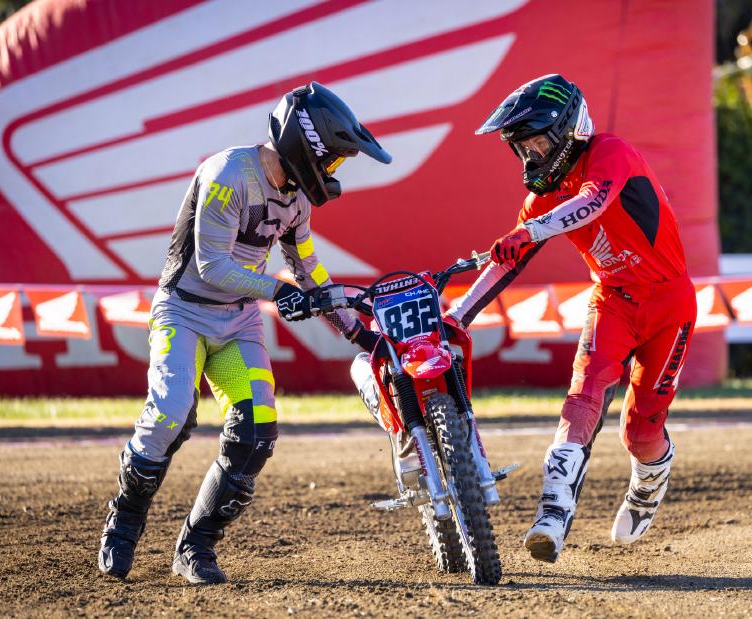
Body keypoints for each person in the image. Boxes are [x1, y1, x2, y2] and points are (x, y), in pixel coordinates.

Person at [97, 82, 389, 584]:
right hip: (183, 312)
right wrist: (276, 293)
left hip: (237, 321)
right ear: (308, 147)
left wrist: (360, 335)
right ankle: (124, 520)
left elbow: (308, 271)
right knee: (170, 414)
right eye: (333, 161)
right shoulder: (228, 174)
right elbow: (211, 265)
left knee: (256, 434)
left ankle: (196, 547)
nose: (332, 175)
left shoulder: (297, 199)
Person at [447, 74, 696, 563]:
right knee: (582, 398)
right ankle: (551, 515)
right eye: (522, 148)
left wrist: (531, 229)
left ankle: (649, 480)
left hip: (670, 304)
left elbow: (593, 202)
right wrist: (457, 316)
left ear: (567, 131)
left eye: (537, 143)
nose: (530, 157)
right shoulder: (539, 200)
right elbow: (508, 260)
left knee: (640, 433)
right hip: (613, 301)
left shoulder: (610, 151)